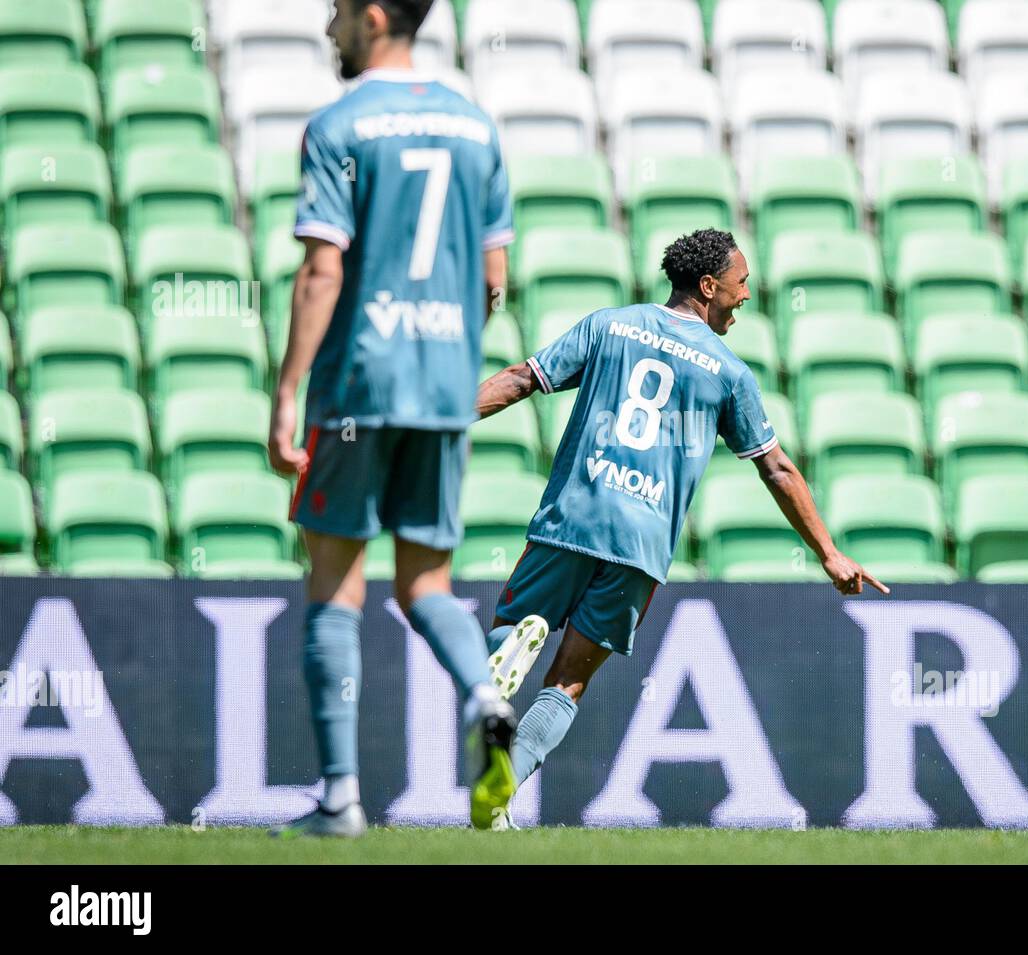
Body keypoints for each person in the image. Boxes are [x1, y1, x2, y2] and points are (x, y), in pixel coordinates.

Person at [475, 229, 889, 821]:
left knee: (513, 625)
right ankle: (504, 787)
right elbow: (777, 467)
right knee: (567, 682)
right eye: (741, 284)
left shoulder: (607, 325)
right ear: (708, 285)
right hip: (639, 545)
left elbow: (520, 380)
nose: (746, 297)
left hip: (573, 516)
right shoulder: (727, 371)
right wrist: (827, 552)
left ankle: (508, 648)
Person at [268, 0, 517, 836]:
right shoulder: (478, 129)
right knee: (427, 583)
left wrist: (287, 390)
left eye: (337, 10)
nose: (329, 25)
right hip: (444, 385)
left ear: (375, 17)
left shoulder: (339, 124)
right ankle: (484, 693)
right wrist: (448, 364)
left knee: (336, 579)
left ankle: (340, 796)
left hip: (357, 387)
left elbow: (320, 272)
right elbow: (493, 280)